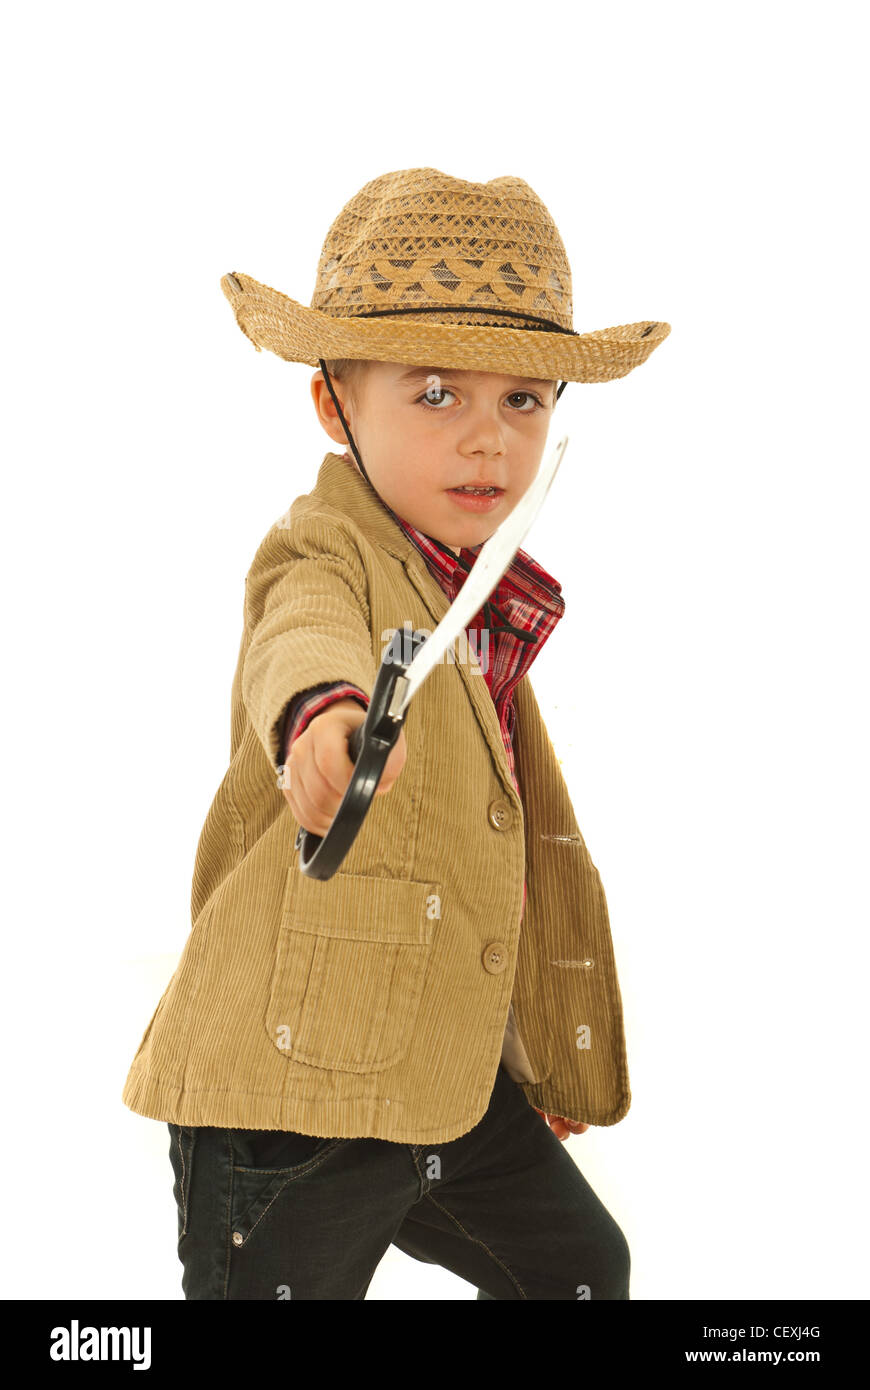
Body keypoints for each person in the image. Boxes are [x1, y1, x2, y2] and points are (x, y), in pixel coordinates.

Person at [122, 166, 670, 1299]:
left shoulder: (477, 595)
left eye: (523, 400)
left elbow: (495, 844)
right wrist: (323, 724)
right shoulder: (326, 549)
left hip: (444, 1084)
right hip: (289, 1103)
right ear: (334, 405)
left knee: (578, 1268)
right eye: (435, 393)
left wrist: (531, 1037)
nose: (487, 442)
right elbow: (302, 637)